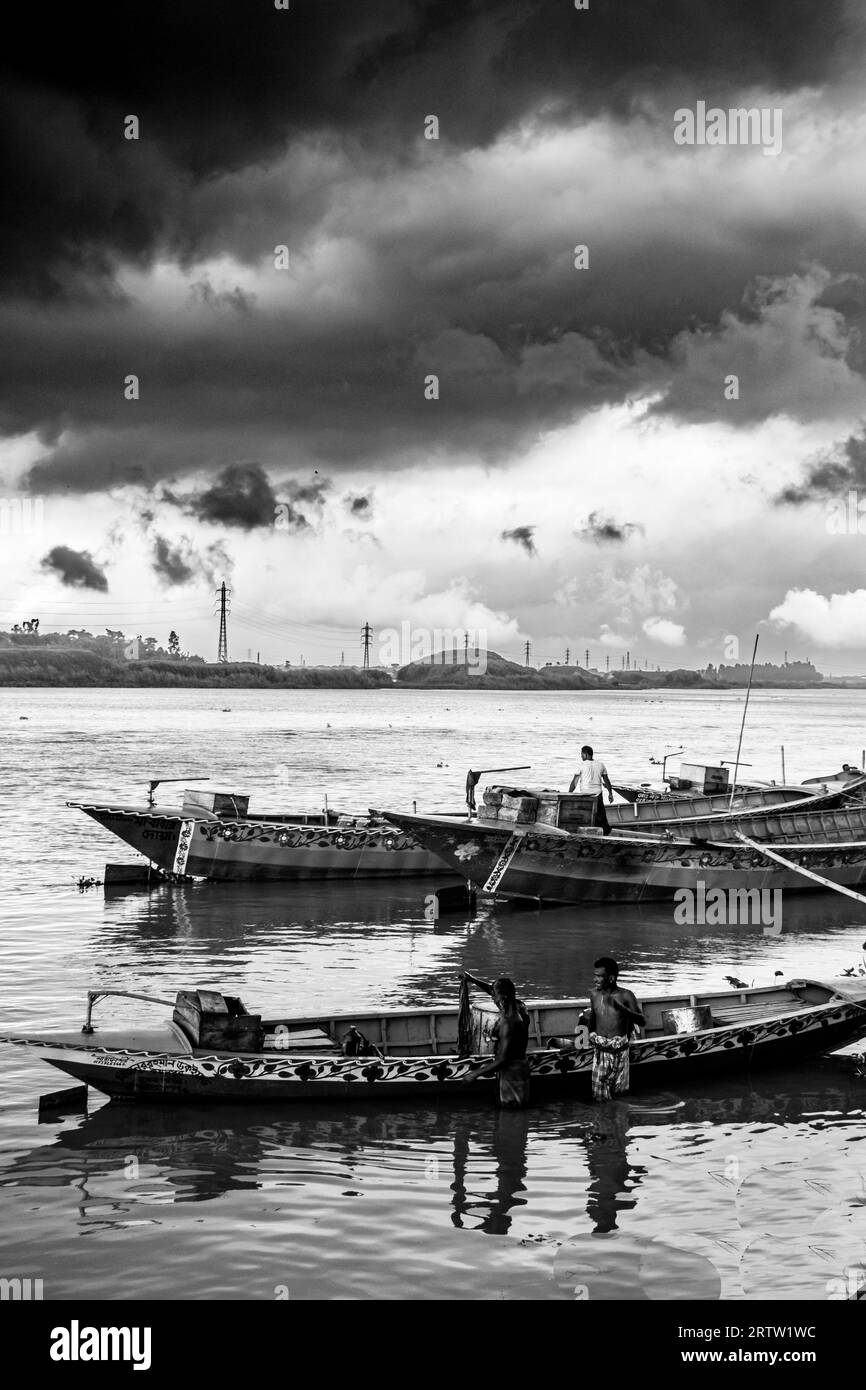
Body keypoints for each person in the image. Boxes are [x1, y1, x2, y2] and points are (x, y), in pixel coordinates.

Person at [579, 956, 644, 1102]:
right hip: (601, 1051)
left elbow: (641, 1020)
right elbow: (593, 1021)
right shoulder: (594, 995)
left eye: (599, 976)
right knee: (600, 1098)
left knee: (621, 1095)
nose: (595, 980)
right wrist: (590, 1037)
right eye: (594, 975)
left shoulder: (626, 995)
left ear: (611, 978)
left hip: (620, 1051)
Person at [461, 973, 530, 1108]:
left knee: (512, 1111)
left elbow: (502, 1060)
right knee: (515, 1114)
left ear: (503, 998)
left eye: (494, 997)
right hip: (521, 1067)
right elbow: (494, 990)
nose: (493, 999)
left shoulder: (509, 1023)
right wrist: (472, 979)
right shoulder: (520, 1007)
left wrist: (474, 1074)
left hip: (512, 1073)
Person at [569, 745, 614, 834]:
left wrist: (569, 794)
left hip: (585, 795)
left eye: (582, 754)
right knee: (601, 817)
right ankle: (604, 833)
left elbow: (574, 782)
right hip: (598, 794)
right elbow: (606, 780)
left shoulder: (581, 765)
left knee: (585, 814)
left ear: (586, 754)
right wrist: (610, 793)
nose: (581, 756)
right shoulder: (601, 765)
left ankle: (587, 831)